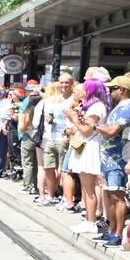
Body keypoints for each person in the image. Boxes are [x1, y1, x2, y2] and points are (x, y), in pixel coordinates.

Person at [95, 75, 130, 244]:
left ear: (122, 90)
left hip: (117, 158)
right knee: (109, 194)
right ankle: (111, 230)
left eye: (112, 88)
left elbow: (113, 131)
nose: (109, 91)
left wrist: (94, 126)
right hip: (108, 159)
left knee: (117, 196)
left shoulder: (128, 107)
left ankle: (118, 233)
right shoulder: (119, 107)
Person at [66, 79, 107, 232]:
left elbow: (86, 131)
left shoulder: (97, 107)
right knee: (86, 186)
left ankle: (91, 221)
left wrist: (74, 119)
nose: (80, 90)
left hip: (90, 147)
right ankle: (89, 219)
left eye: (84, 88)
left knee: (89, 187)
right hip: (85, 146)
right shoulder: (92, 106)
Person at [45, 73, 75, 207]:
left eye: (67, 82)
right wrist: (48, 119)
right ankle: (50, 195)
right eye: (61, 82)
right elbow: (49, 115)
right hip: (51, 136)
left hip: (65, 138)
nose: (64, 85)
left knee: (64, 170)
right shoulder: (55, 99)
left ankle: (65, 197)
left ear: (72, 84)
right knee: (48, 167)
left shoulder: (73, 99)